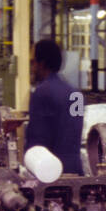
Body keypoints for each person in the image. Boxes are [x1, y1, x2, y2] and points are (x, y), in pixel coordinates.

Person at [25, 39, 83, 176]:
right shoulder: (76, 93)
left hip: (50, 170)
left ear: (42, 63)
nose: (32, 68)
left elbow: (37, 138)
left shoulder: (42, 93)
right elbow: (76, 130)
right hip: (74, 167)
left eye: (33, 62)